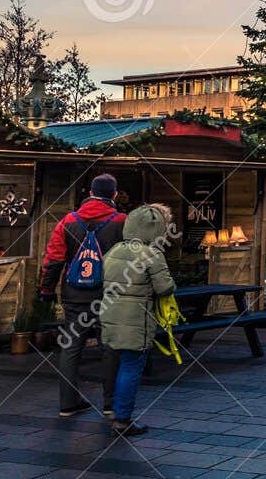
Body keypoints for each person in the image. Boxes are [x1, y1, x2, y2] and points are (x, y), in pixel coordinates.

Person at [40, 174, 128, 418]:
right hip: (109, 293)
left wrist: (46, 290)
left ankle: (68, 403)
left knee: (71, 347)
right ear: (114, 195)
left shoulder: (68, 221)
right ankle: (110, 403)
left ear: (90, 193)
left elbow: (54, 259)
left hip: (75, 293)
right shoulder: (122, 221)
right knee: (109, 347)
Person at [98, 203, 176, 438]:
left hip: (111, 315)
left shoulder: (113, 251)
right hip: (137, 319)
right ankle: (122, 419)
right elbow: (165, 288)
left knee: (117, 361)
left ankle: (111, 408)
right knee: (131, 366)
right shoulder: (153, 254)